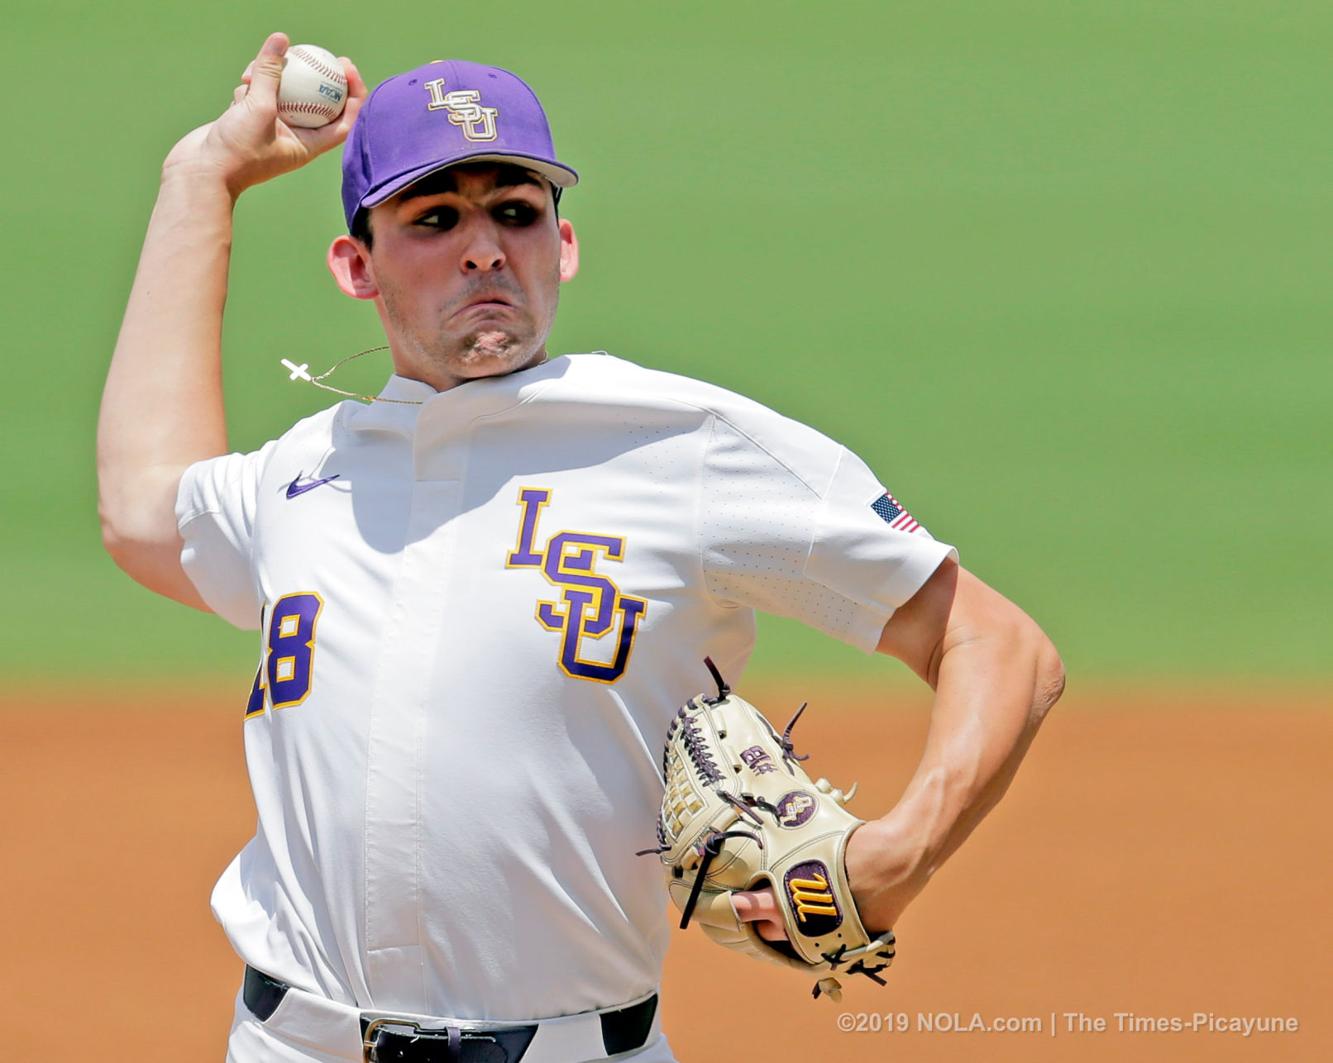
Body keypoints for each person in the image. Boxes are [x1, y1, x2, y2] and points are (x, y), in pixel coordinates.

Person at [98, 31, 1065, 1063]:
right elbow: (143, 508)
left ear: (562, 246)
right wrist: (201, 173)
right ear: (355, 266)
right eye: (435, 218)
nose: (484, 247)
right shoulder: (300, 477)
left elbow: (996, 644)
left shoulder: (681, 443)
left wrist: (899, 852)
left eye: (516, 213)